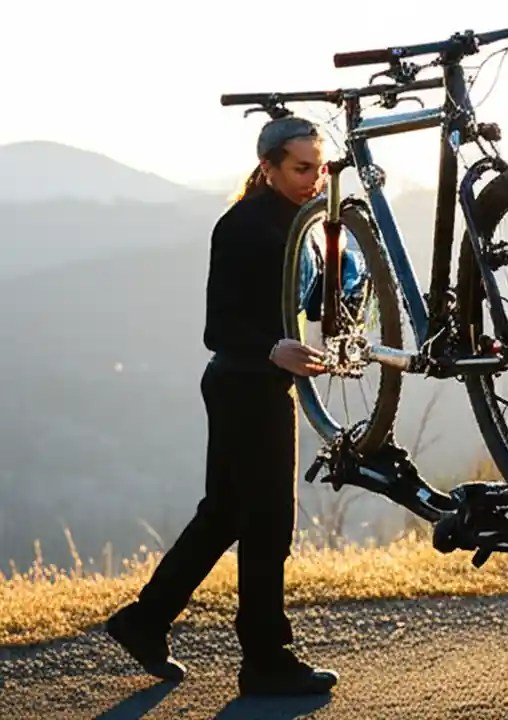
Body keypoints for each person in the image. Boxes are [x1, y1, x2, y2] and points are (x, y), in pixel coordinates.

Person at [105, 115, 339, 697]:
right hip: (243, 384)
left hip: (256, 384)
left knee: (224, 515)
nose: (314, 177)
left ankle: (144, 621)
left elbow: (311, 297)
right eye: (301, 168)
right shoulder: (242, 225)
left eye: (320, 166)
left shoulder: (299, 218)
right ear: (268, 167)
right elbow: (218, 327)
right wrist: (273, 349)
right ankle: (265, 662)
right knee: (267, 527)